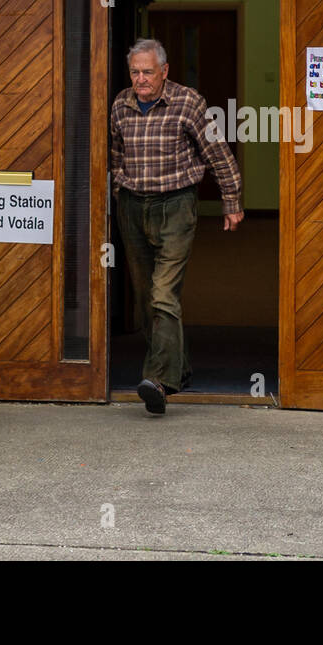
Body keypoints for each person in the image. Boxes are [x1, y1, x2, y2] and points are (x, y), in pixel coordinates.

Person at [111, 37, 243, 415]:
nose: (141, 80)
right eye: (135, 72)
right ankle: (178, 369)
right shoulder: (120, 104)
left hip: (176, 206)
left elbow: (217, 153)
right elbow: (115, 155)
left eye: (147, 72)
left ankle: (158, 382)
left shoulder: (189, 102)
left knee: (163, 294)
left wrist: (231, 201)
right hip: (133, 207)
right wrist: (121, 188)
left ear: (164, 71)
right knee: (144, 298)